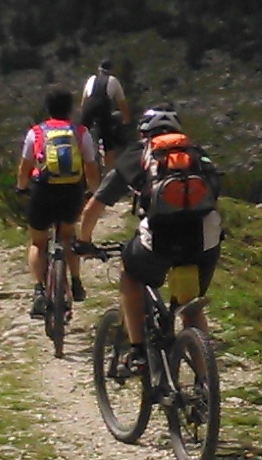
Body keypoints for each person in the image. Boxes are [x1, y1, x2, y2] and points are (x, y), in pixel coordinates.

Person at [75, 107, 221, 381]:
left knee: (131, 275)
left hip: (161, 239)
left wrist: (84, 241)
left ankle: (138, 350)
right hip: (203, 240)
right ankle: (204, 387)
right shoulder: (199, 156)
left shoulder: (136, 156)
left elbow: (95, 207)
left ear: (144, 133)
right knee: (191, 308)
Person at [15, 89, 100, 313]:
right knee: (67, 236)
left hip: (43, 190)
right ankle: (76, 281)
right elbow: (90, 168)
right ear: (70, 109)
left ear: (48, 108)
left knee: (37, 243)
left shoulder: (36, 132)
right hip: (71, 191)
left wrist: (21, 188)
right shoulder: (81, 133)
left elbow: (25, 166)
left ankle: (38, 290)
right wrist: (93, 193)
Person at [77, 59, 135, 163]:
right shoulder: (113, 80)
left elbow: (83, 101)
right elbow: (122, 103)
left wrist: (83, 116)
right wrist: (126, 119)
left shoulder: (91, 79)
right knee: (107, 141)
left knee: (81, 137)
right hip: (102, 107)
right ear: (112, 70)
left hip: (88, 107)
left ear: (99, 70)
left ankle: (80, 163)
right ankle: (109, 170)